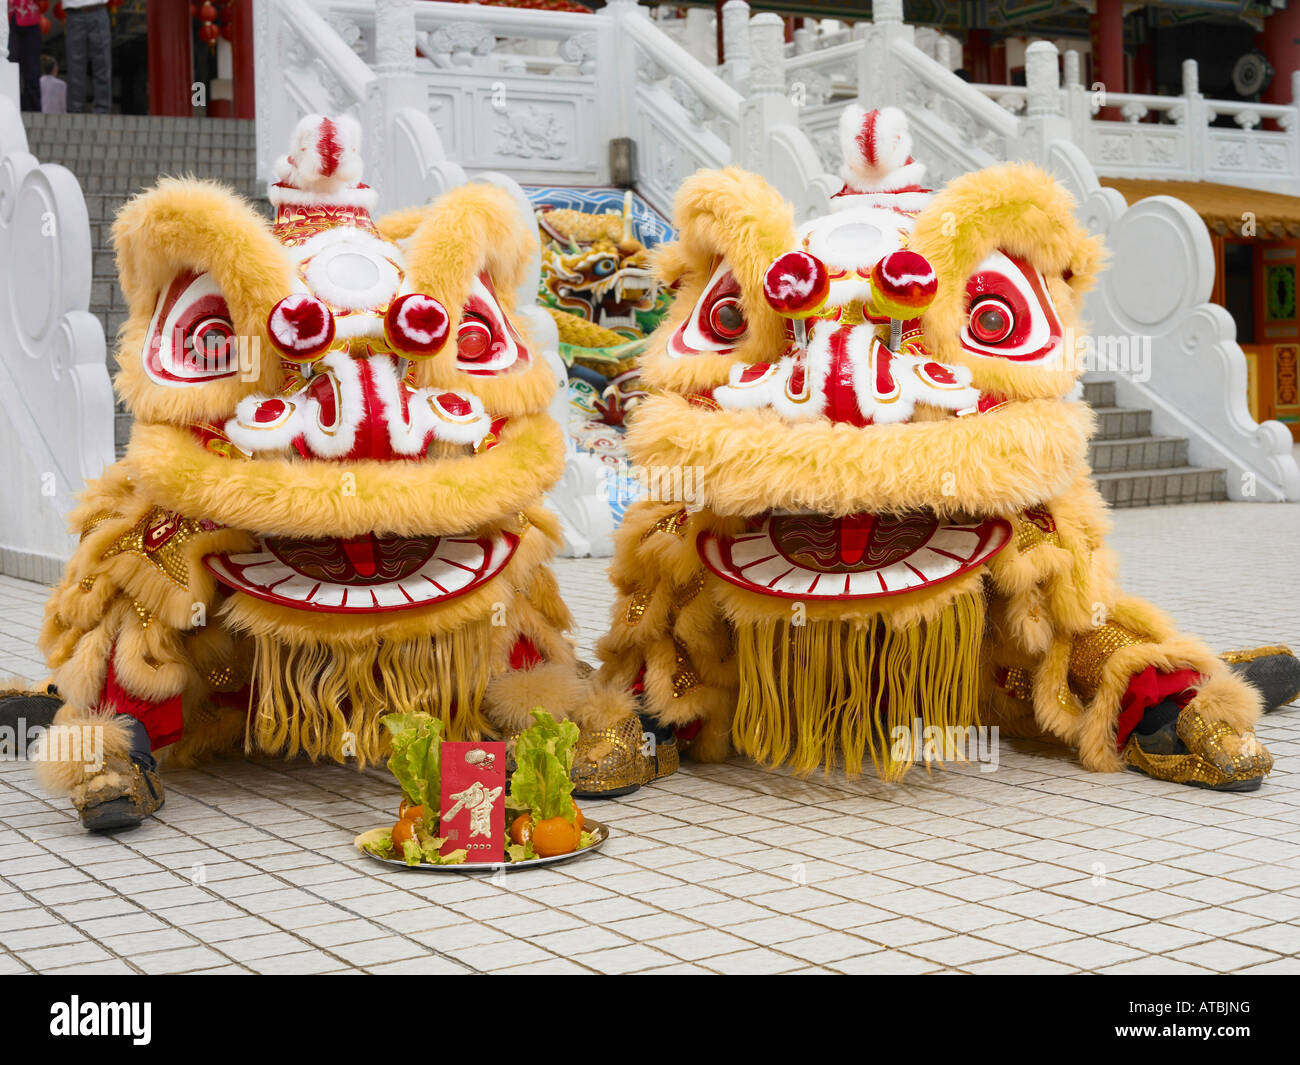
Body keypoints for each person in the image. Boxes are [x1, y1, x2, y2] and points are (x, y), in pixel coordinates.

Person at [63, 0, 111, 114]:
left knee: (102, 62)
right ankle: (75, 109)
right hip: (73, 13)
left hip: (98, 9)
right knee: (75, 65)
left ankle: (102, 108)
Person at [6, 0, 42, 112]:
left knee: (32, 69)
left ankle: (33, 109)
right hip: (8, 19)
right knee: (9, 65)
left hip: (30, 19)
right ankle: (8, 105)